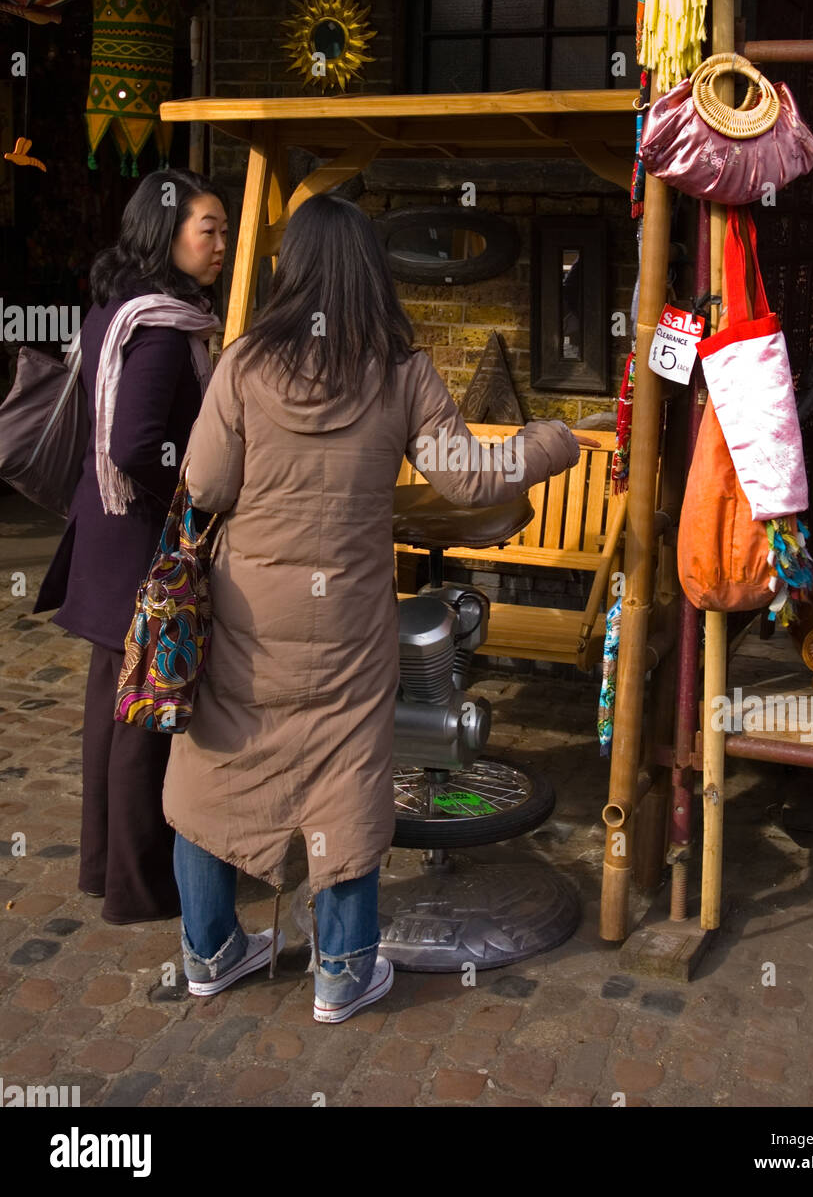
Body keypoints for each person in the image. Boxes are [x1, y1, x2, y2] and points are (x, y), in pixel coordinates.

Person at [163, 192, 585, 1022]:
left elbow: (206, 484)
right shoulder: (401, 370)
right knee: (345, 778)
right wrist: (555, 440)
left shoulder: (243, 363)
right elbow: (465, 477)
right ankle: (343, 972)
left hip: (248, 611)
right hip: (349, 622)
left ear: (295, 270)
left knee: (214, 772)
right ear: (371, 273)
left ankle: (210, 953)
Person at [34, 169, 228, 925]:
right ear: (166, 232)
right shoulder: (160, 328)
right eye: (207, 229)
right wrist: (194, 490)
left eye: (221, 229)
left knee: (109, 709)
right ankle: (139, 889)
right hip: (138, 542)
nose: (220, 244)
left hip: (103, 537)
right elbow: (135, 442)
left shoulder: (117, 310)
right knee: (146, 715)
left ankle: (102, 869)